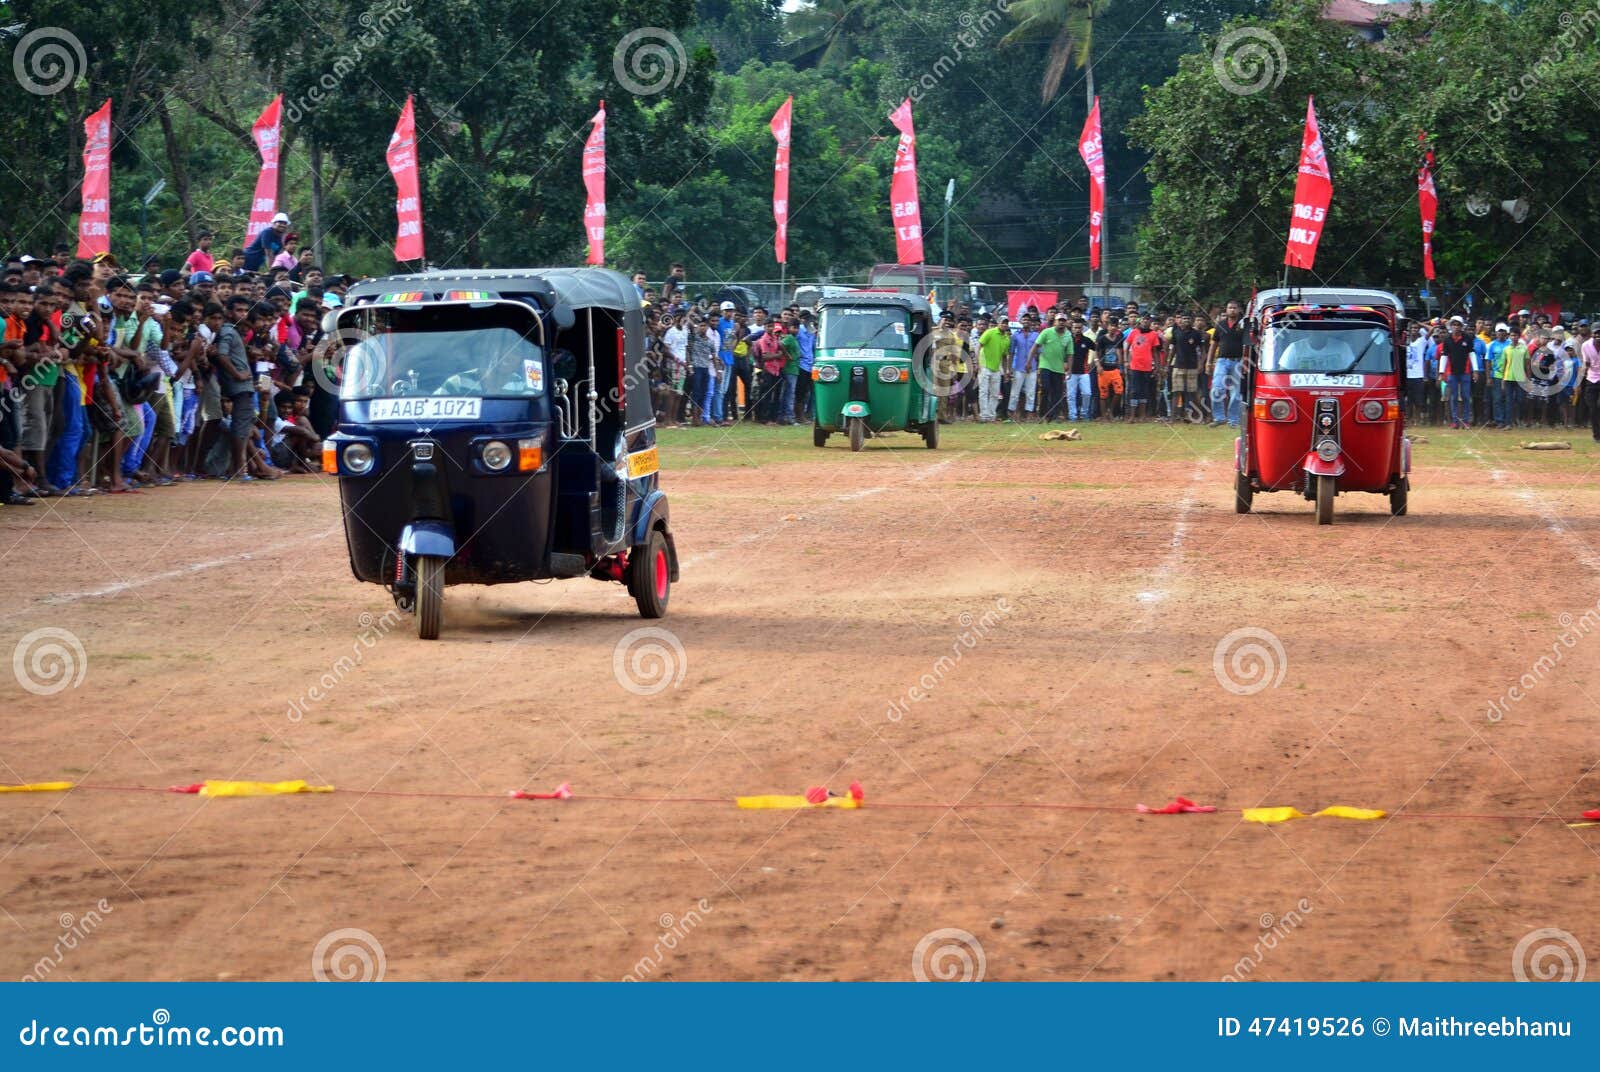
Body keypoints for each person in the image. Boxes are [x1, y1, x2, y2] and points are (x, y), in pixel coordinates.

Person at [1208, 300, 1245, 427]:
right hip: (1222, 361)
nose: (1232, 310)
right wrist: (1209, 362)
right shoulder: (1221, 324)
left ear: (1239, 310)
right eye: (1230, 308)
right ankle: (1219, 418)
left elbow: (1249, 345)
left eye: (1234, 308)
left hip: (1238, 361)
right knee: (1216, 389)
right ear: (1226, 310)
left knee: (1236, 393)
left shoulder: (1243, 324)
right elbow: (1214, 344)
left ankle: (1233, 420)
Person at [1124, 314, 1163, 424]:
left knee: (1144, 391)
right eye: (1143, 319)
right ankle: (1132, 416)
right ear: (1140, 320)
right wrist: (1126, 361)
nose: (1145, 321)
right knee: (1134, 391)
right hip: (1135, 366)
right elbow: (1126, 347)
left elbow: (1155, 352)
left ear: (1149, 321)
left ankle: (1142, 416)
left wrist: (1157, 366)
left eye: (1147, 319)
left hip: (1147, 367)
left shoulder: (1153, 334)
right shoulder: (1133, 332)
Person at [1170, 311, 1206, 423]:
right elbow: (1173, 349)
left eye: (1188, 319)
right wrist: (1168, 362)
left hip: (1192, 366)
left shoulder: (1196, 334)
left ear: (1191, 320)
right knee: (1176, 392)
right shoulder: (1175, 332)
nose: (1186, 320)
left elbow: (1203, 351)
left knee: (1193, 392)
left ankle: (1197, 417)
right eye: (1184, 318)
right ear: (1180, 320)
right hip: (1178, 366)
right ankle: (1173, 418)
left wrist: (1201, 364)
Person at [1033, 313, 1070, 422]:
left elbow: (1070, 353)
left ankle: (1053, 416)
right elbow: (1035, 346)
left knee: (1057, 392)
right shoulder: (1046, 332)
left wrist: (1069, 368)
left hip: (1058, 368)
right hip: (1045, 366)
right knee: (1045, 388)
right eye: (1059, 320)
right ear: (1055, 322)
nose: (1061, 322)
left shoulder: (1068, 336)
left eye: (1063, 320)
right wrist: (1029, 361)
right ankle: (1041, 414)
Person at [976, 314, 1009, 422]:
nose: (1004, 324)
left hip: (997, 368)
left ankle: (991, 415)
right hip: (984, 366)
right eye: (1002, 322)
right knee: (984, 392)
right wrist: (977, 363)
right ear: (998, 323)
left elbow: (1004, 357)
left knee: (995, 393)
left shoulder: (1006, 338)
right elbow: (979, 345)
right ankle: (984, 416)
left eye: (1006, 323)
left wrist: (1005, 371)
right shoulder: (990, 332)